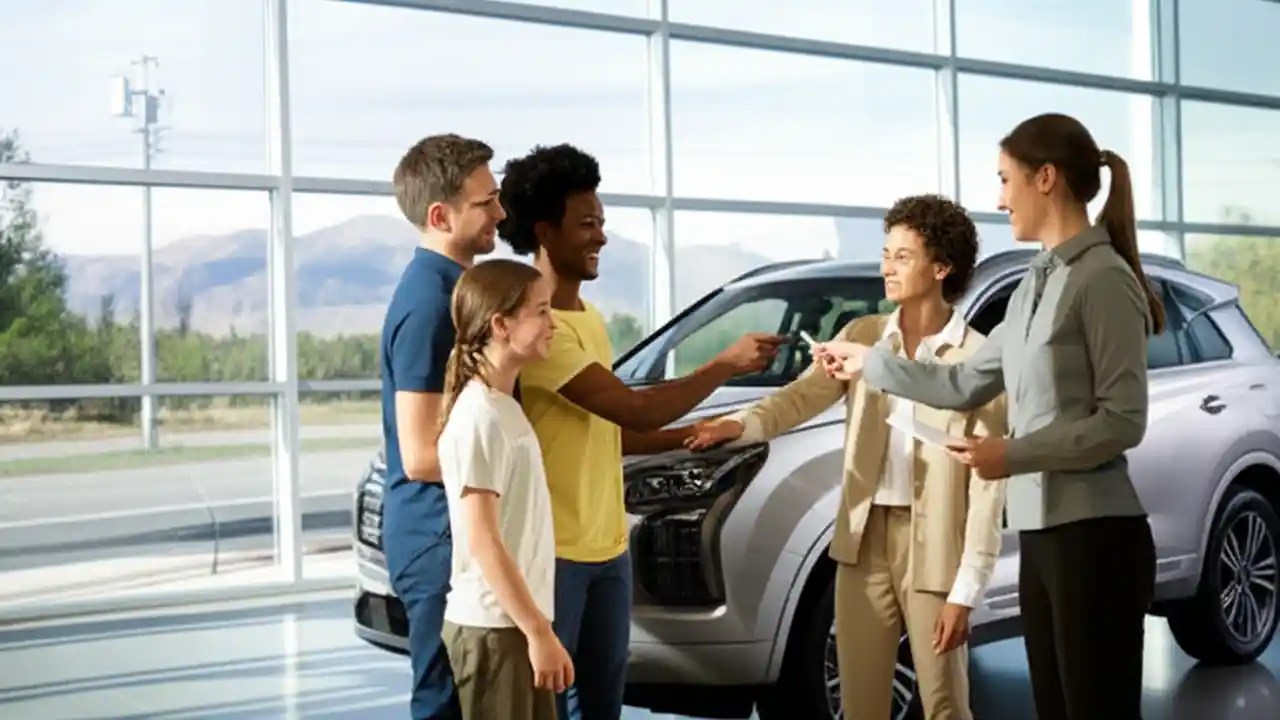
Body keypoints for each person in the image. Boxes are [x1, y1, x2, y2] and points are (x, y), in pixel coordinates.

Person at [814, 113, 1163, 720]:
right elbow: (962, 382)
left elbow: (1122, 421)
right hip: (1043, 535)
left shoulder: (1102, 280)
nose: (1000, 198)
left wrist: (1013, 454)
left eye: (1006, 180)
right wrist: (869, 361)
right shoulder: (1034, 283)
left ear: (1046, 178)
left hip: (1098, 537)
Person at [687, 194, 1007, 720]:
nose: (887, 266)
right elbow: (798, 398)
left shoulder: (976, 359)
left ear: (942, 266)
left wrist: (966, 592)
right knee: (859, 706)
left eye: (903, 256)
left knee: (946, 704)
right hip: (862, 542)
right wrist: (735, 425)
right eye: (886, 253)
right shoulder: (861, 336)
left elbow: (988, 488)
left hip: (935, 547)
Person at [496, 142, 785, 720]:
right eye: (587, 224)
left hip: (608, 550)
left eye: (602, 222)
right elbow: (634, 409)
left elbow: (612, 433)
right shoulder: (542, 333)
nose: (600, 235)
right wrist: (723, 364)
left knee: (602, 705)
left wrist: (694, 436)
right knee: (549, 707)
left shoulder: (588, 319)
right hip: (555, 554)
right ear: (544, 232)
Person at [379, 133, 507, 720]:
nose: (501, 213)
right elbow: (420, 456)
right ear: (440, 214)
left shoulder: (457, 292)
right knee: (446, 702)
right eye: (486, 203)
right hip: (436, 537)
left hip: (454, 527)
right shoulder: (430, 304)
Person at [437, 259, 570, 720]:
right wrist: (537, 633)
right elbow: (483, 540)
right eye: (541, 311)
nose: (553, 323)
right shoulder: (480, 417)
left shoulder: (503, 407)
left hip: (512, 625)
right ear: (500, 324)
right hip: (495, 629)